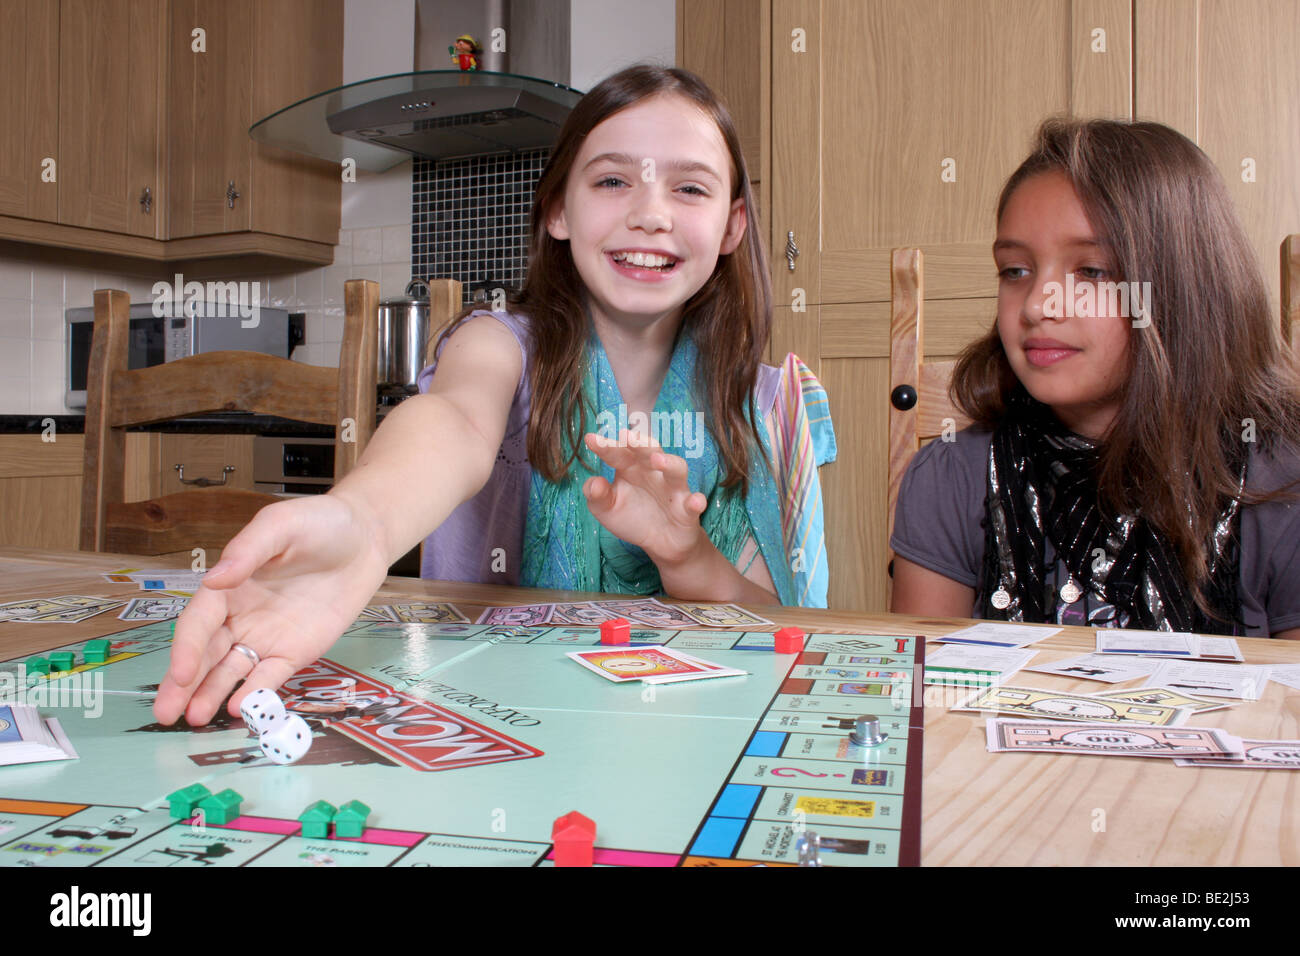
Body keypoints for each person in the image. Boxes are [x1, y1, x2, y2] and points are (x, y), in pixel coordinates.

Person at [154, 65, 836, 727]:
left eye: (690, 189)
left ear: (732, 226)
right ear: (559, 210)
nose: (650, 215)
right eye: (612, 180)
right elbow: (454, 420)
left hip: (695, 734)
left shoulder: (761, 407)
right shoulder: (498, 344)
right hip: (504, 714)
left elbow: (779, 627)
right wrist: (364, 523)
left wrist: (684, 555)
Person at [890, 117, 1300, 638]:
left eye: (1092, 272)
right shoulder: (952, 477)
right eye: (1015, 270)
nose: (1038, 305)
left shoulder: (1280, 482)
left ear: (1185, 290)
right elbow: (923, 697)